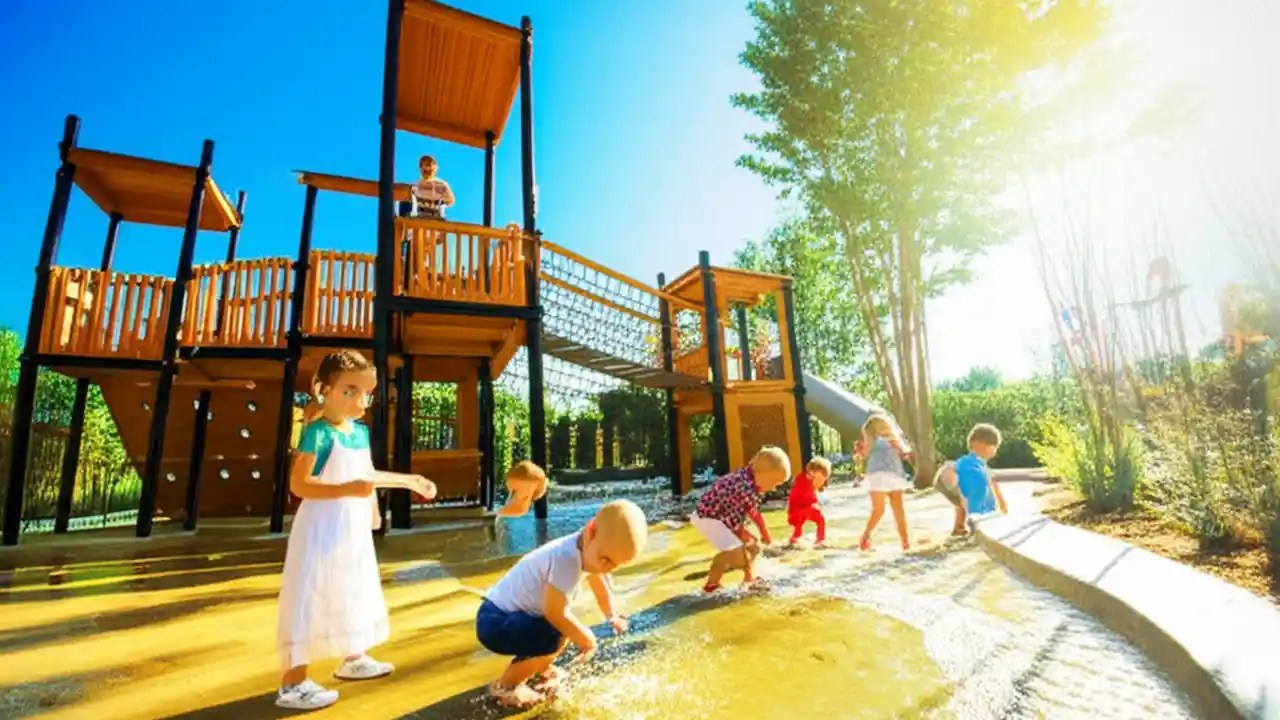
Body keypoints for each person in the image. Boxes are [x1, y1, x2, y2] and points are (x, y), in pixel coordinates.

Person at [275, 349, 438, 711]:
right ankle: (293, 682)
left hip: (351, 527)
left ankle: (353, 657)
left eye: (365, 392)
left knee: (351, 588)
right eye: (349, 390)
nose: (360, 400)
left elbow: (366, 476)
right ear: (323, 389)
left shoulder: (359, 433)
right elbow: (300, 485)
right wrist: (347, 490)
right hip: (321, 527)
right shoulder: (317, 433)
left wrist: (409, 481)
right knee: (311, 594)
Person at [476, 500, 648, 709]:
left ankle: (540, 669)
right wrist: (587, 640)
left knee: (558, 633)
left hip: (506, 617)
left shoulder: (586, 549)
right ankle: (506, 686)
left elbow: (598, 579)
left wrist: (611, 615)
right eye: (605, 559)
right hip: (495, 624)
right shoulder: (566, 559)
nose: (607, 568)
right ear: (591, 530)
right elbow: (554, 612)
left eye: (615, 565)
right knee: (557, 633)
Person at [690, 446, 791, 594]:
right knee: (736, 552)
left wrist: (763, 533)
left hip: (721, 517)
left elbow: (752, 511)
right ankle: (711, 586)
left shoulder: (751, 480)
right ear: (763, 473)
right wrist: (742, 545)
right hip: (709, 518)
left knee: (754, 546)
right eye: (774, 482)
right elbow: (733, 522)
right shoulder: (744, 487)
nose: (774, 488)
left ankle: (749, 578)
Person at [858, 414, 913, 552]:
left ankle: (866, 536)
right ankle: (905, 542)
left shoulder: (873, 442)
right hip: (893, 476)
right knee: (899, 511)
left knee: (879, 509)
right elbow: (906, 453)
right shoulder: (892, 440)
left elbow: (864, 455)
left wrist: (859, 455)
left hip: (878, 476)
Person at [954, 424, 1008, 525]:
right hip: (979, 514)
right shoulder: (970, 465)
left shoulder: (977, 465)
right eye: (993, 446)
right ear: (978, 444)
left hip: (983, 514)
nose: (994, 450)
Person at [787, 457, 832, 547]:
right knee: (800, 525)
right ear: (812, 472)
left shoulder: (812, 482)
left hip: (805, 508)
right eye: (822, 476)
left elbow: (813, 496)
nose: (822, 480)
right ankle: (794, 538)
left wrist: (814, 502)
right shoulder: (802, 480)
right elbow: (796, 497)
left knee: (821, 518)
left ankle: (820, 539)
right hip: (796, 510)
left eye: (824, 477)